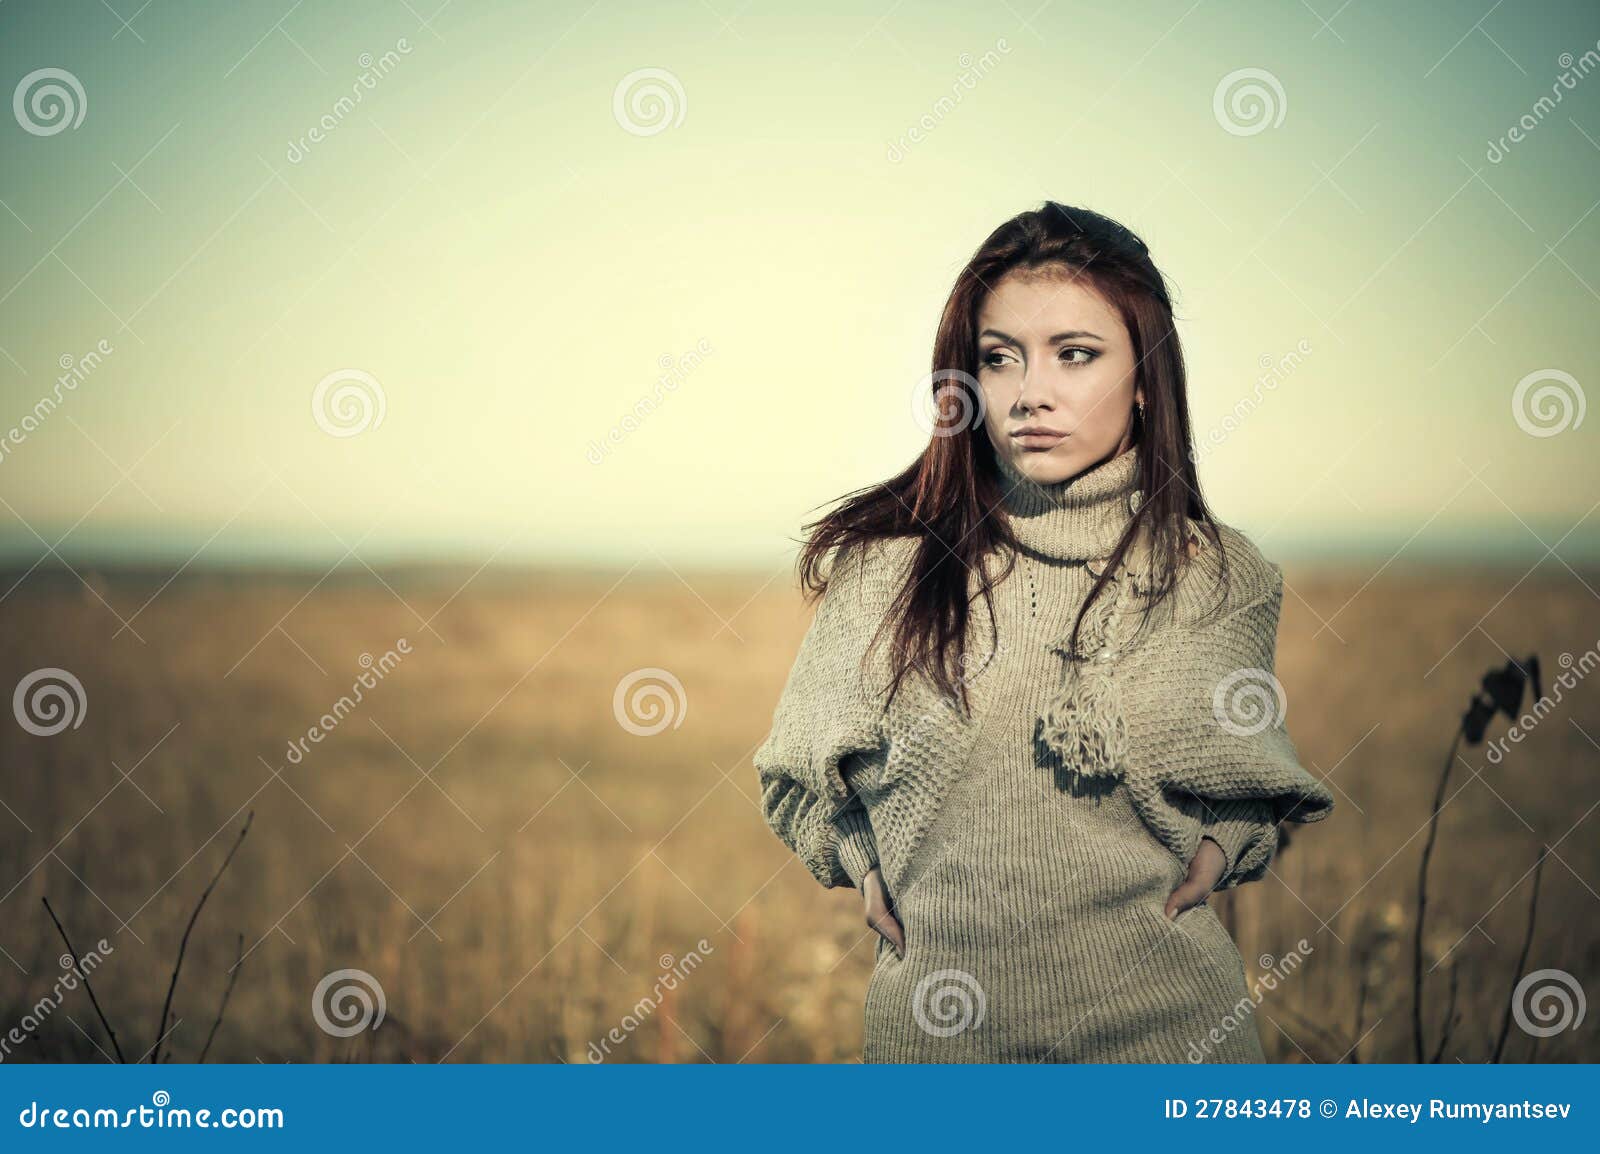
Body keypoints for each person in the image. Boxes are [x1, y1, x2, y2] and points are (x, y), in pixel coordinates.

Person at [753, 201, 1335, 1063]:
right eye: (999, 359)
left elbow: (1252, 778)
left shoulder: (1217, 576)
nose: (1032, 392)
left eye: (1077, 354)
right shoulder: (887, 572)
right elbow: (793, 775)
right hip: (939, 1049)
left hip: (1169, 1042)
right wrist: (856, 855)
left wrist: (1225, 845)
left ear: (1145, 378)